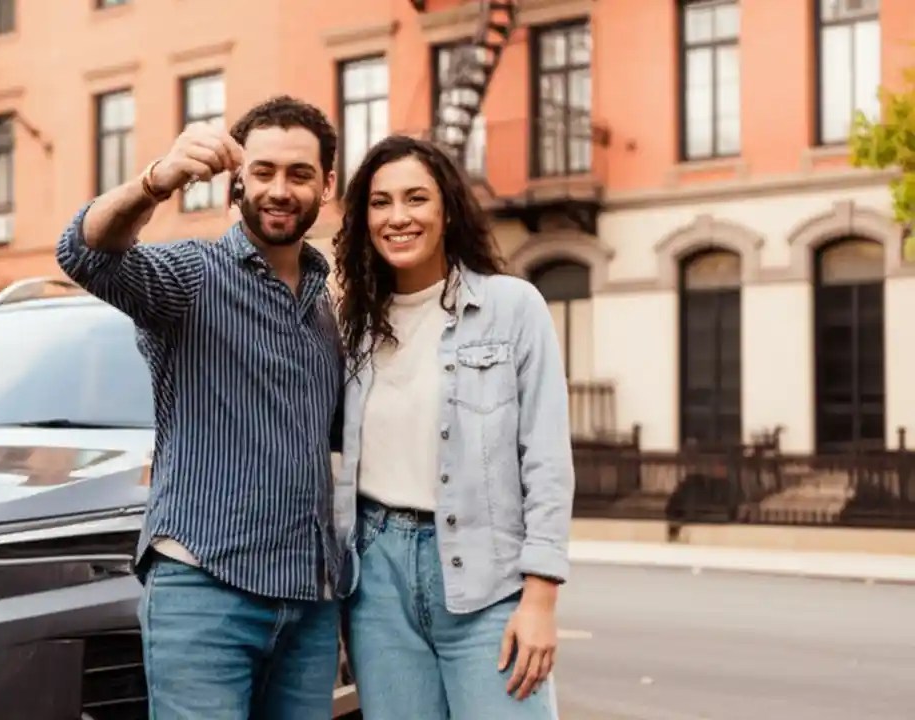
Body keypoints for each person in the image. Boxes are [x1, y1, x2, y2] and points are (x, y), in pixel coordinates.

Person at [55, 96, 345, 720]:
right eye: (263, 171)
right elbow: (84, 252)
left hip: (309, 603)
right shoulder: (190, 277)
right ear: (238, 180)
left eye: (299, 175)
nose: (279, 189)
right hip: (205, 592)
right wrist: (157, 180)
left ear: (327, 184)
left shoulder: (326, 310)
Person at [331, 134, 575, 719]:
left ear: (446, 209)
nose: (398, 217)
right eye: (380, 202)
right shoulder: (355, 327)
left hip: (488, 578)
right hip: (377, 581)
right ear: (364, 218)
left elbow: (546, 458)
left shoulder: (513, 308)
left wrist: (540, 598)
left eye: (416, 198)